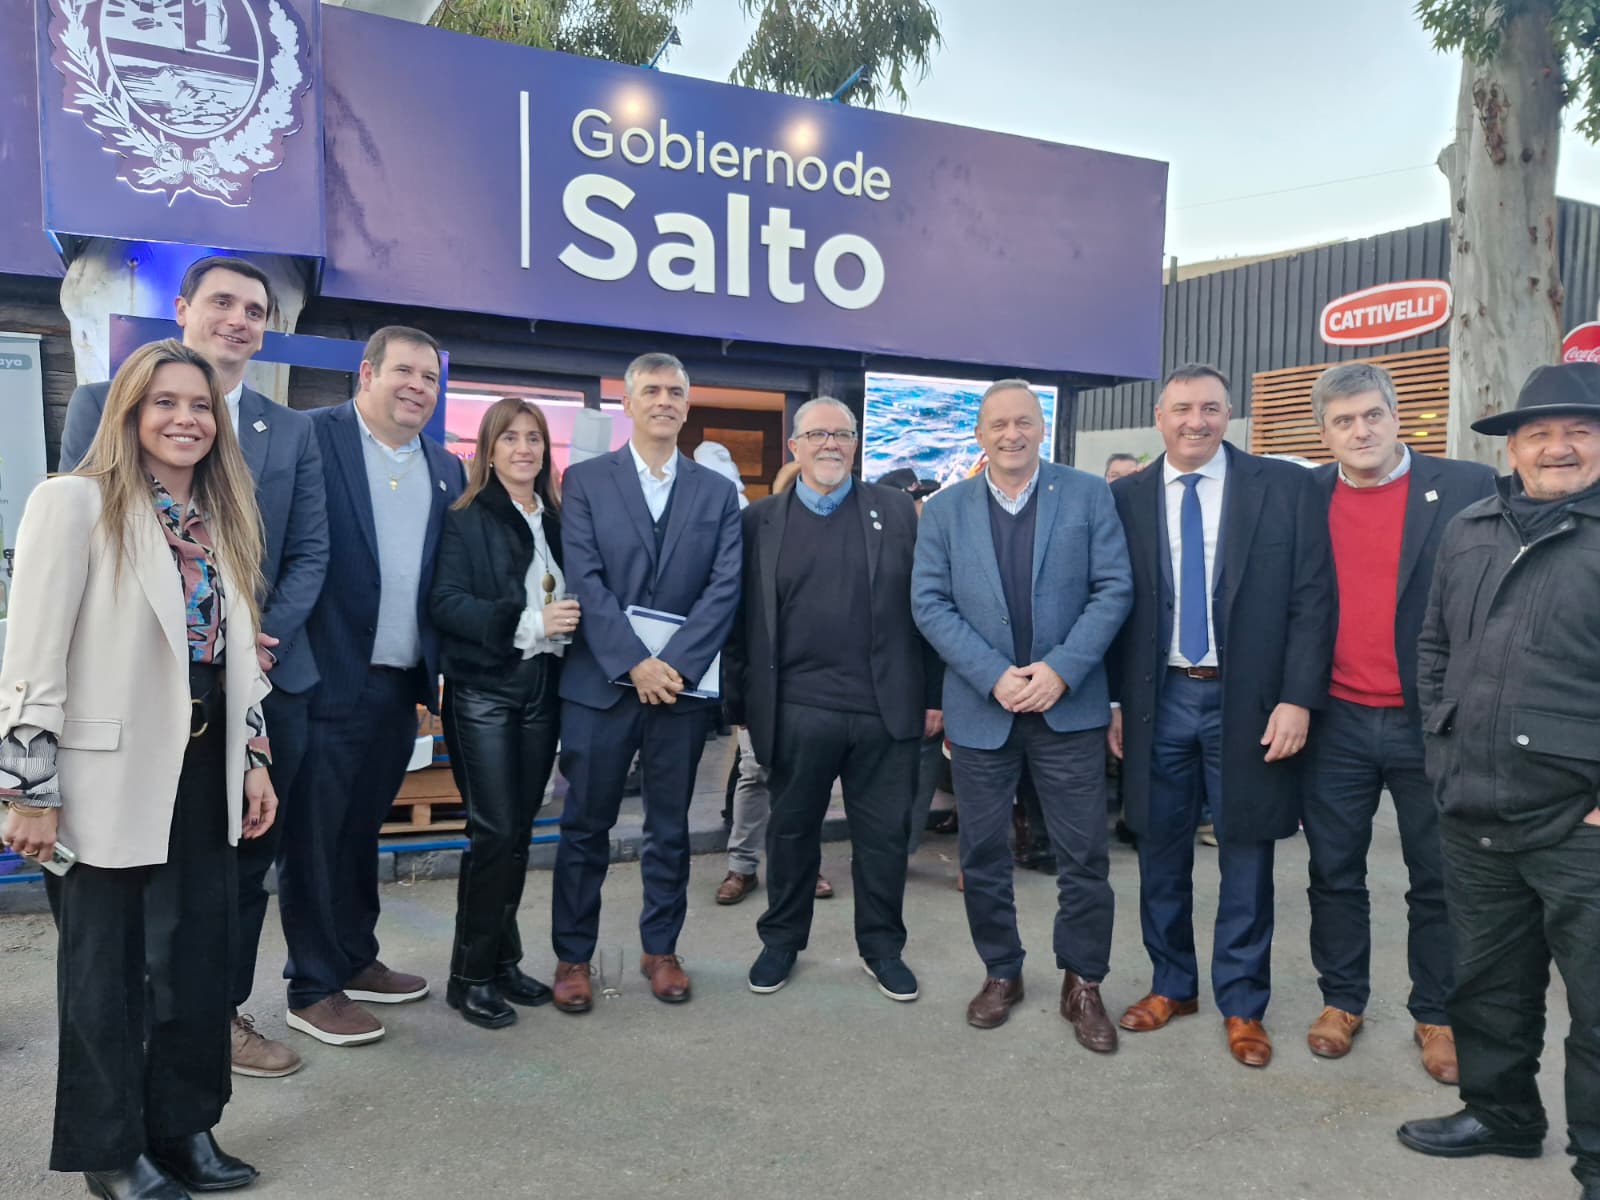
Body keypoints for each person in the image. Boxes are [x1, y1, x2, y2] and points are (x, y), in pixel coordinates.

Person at [0, 339, 277, 1198]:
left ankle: (183, 1127)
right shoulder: (73, 502)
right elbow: (31, 655)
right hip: (101, 772)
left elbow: (238, 660)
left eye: (200, 405)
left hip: (204, 765)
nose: (185, 419)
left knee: (197, 959)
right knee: (104, 970)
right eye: (164, 402)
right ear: (128, 411)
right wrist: (28, 788)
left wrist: (254, 761)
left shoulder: (224, 517)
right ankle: (110, 1150)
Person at [59, 254, 328, 1080]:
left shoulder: (291, 431)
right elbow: (84, 555)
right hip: (138, 696)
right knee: (126, 893)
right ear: (182, 308)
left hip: (257, 691)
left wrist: (253, 643)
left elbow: (308, 553)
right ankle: (139, 1029)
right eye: (223, 302)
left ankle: (221, 1017)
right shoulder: (104, 406)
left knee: (236, 876)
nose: (239, 320)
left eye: (255, 309)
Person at [1397, 363, 1600, 1200]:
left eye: (1579, 432)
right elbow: (1435, 646)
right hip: (1474, 802)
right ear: (1511, 447)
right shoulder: (1472, 525)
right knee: (1487, 982)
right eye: (1538, 433)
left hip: (1580, 818)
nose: (1557, 447)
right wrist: (1442, 750)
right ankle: (1504, 1116)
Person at [1108, 363, 1333, 1069]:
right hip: (1158, 703)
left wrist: (1298, 698)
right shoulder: (1125, 498)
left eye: (1209, 408)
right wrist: (1115, 701)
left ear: (1229, 413)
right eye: (1181, 409)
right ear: (1158, 417)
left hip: (1252, 704)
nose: (1195, 421)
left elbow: (1313, 599)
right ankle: (1173, 985)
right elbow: (1114, 607)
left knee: (1246, 853)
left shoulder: (1285, 487)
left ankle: (1243, 1003)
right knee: (1160, 852)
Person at [912, 379, 1133, 1049]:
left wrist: (1061, 671)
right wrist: (993, 677)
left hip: (1068, 707)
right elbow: (929, 604)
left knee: (1083, 854)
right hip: (984, 710)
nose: (1012, 434)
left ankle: (1083, 981)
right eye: (998, 424)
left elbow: (1113, 588)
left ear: (1044, 429)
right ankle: (1001, 971)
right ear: (979, 435)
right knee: (982, 852)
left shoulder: (1089, 495)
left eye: (1024, 422)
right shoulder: (945, 510)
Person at [1301, 362, 1494, 1080]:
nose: (1361, 431)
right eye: (1344, 421)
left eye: (1372, 415)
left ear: (1396, 415)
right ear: (1325, 433)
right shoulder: (1307, 494)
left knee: (1437, 874)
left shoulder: (1468, 487)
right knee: (1333, 870)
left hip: (1431, 721)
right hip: (1338, 721)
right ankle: (1341, 1000)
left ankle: (1437, 1014)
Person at [276, 326, 465, 1047]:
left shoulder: (445, 467)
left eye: (430, 377)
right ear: (366, 374)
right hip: (323, 679)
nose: (418, 386)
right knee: (314, 838)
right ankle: (312, 985)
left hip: (398, 688)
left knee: (360, 832)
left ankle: (356, 959)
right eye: (405, 372)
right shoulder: (310, 439)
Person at [724, 399, 938, 999]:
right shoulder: (758, 521)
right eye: (817, 434)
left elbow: (928, 607)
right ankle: (781, 943)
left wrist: (935, 695)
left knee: (883, 841)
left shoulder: (896, 512)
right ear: (794, 446)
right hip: (795, 710)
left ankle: (882, 949)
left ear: (855, 444)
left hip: (883, 709)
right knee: (791, 834)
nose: (830, 445)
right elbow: (740, 624)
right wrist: (740, 709)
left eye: (841, 434)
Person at [549, 352, 740, 1012]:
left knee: (670, 827)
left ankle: (661, 950)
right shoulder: (585, 481)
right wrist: (634, 661)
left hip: (679, 692)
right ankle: (572, 956)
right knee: (584, 826)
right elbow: (585, 578)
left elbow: (725, 587)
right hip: (603, 683)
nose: (664, 400)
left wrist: (675, 666)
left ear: (687, 407)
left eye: (675, 391)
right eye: (651, 390)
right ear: (627, 403)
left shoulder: (716, 492)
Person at [428, 398, 577, 1030]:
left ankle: (502, 960)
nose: (524, 448)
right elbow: (446, 603)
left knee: (518, 832)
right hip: (484, 690)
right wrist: (528, 621)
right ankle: (467, 977)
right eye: (510, 438)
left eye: (534, 438)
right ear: (489, 449)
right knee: (491, 831)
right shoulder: (466, 516)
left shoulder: (560, 520)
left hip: (543, 686)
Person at [715, 458, 834, 906]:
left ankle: (809, 866)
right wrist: (736, 704)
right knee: (753, 773)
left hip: (813, 688)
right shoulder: (756, 538)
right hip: (761, 687)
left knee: (811, 780)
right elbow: (736, 625)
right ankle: (741, 867)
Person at [875, 469, 949, 857]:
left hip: (920, 690)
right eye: (916, 500)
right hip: (872, 692)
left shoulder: (932, 549)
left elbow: (940, 629)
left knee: (918, 772)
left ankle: (897, 855)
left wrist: (936, 698)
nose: (921, 508)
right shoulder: (868, 548)